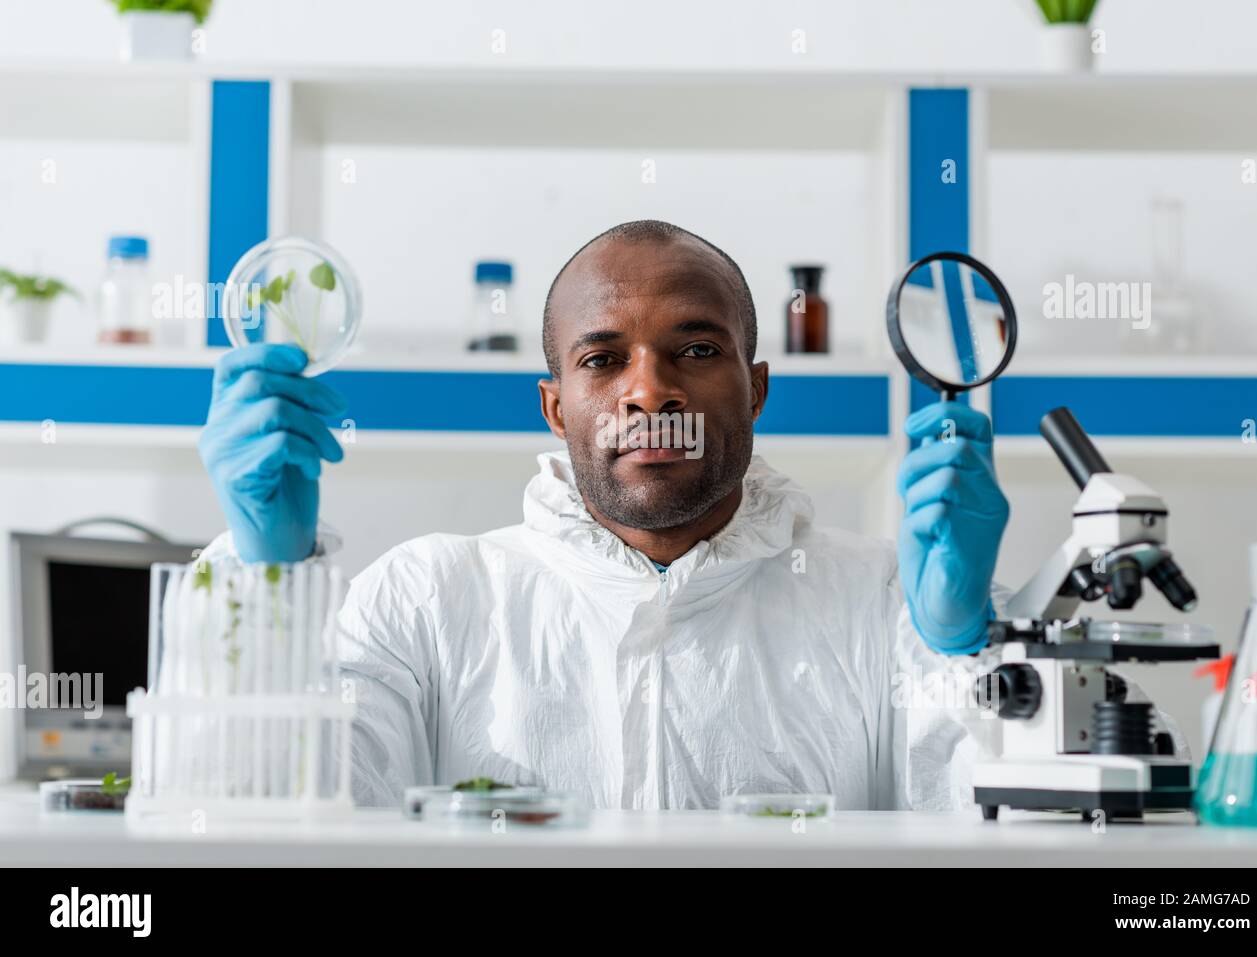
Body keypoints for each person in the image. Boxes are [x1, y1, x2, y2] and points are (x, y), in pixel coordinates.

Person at [196, 220, 1012, 809]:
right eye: (603, 358)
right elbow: (266, 817)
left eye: (697, 350)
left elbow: (1019, 839)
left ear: (757, 388)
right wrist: (267, 574)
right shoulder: (427, 599)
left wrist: (962, 646)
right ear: (555, 407)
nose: (648, 388)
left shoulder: (881, 599)